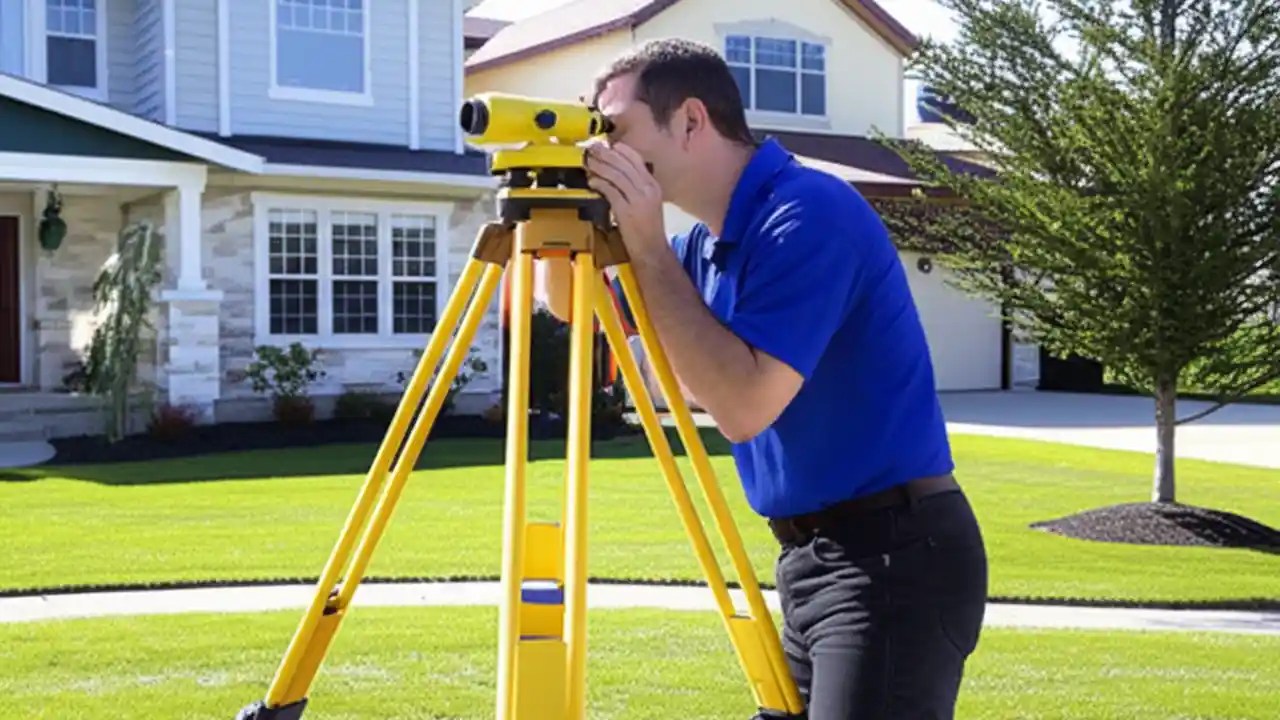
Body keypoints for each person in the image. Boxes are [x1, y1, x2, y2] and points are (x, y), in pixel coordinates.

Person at [534, 38, 988, 719]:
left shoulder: (807, 214)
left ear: (690, 120)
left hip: (895, 559)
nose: (607, 151)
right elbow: (571, 303)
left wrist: (648, 248)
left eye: (617, 130)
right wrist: (555, 193)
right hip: (812, 560)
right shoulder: (702, 247)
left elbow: (744, 407)